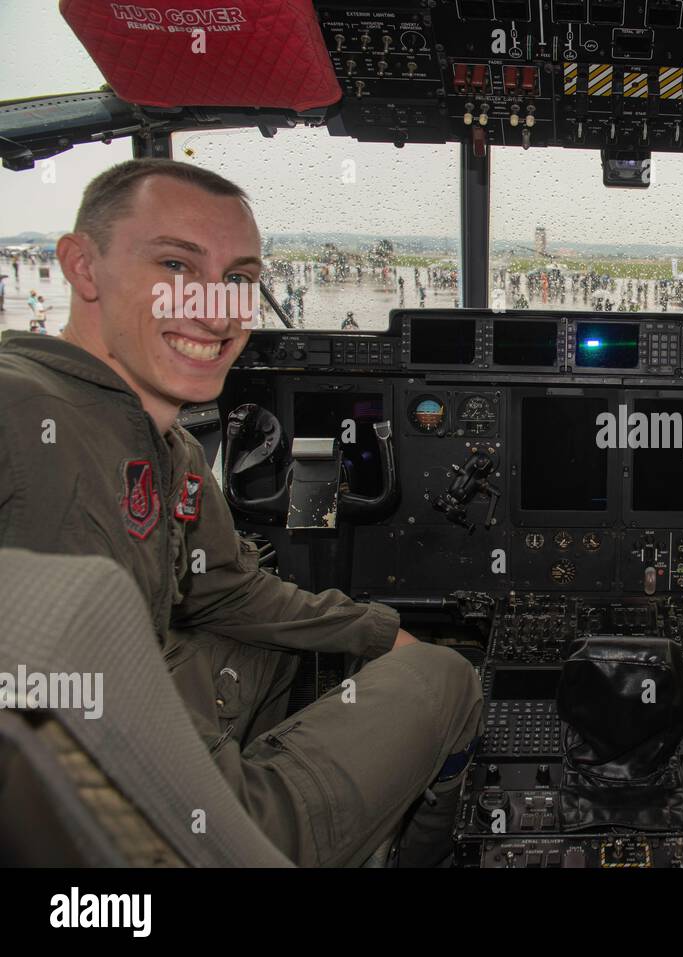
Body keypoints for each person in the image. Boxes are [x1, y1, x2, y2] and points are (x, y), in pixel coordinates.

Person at [0, 159, 483, 867]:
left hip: (136, 745)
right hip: (162, 831)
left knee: (274, 641)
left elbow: (229, 589)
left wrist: (380, 631)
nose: (218, 309)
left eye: (238, 280)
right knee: (451, 678)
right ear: (81, 265)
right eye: (175, 264)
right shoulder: (20, 406)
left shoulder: (170, 448)